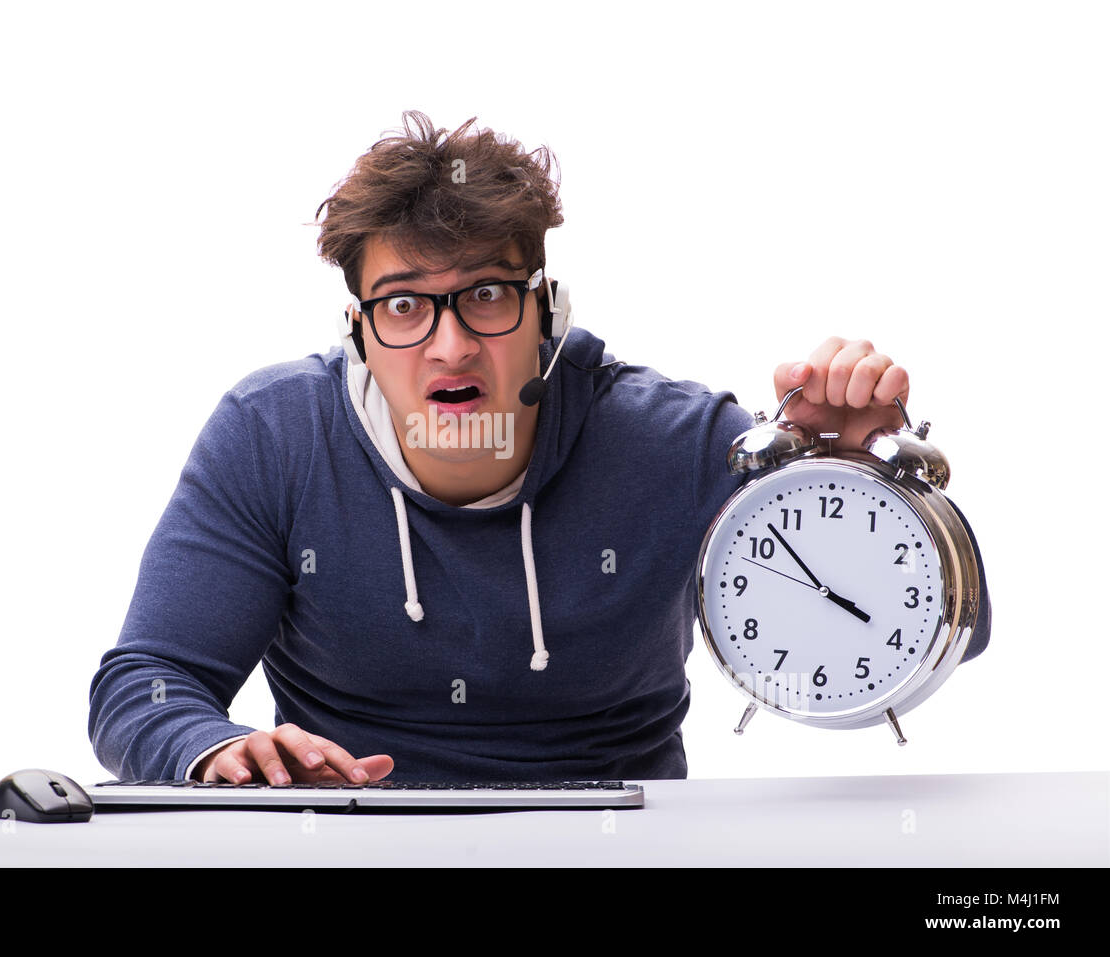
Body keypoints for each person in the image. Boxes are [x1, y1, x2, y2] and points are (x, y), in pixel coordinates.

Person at [87, 112, 990, 786]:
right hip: (349, 844)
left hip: (622, 846)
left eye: (486, 294)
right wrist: (216, 752)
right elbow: (146, 680)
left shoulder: (673, 441)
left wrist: (878, 481)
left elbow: (962, 631)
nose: (449, 346)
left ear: (546, 311)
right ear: (359, 333)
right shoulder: (272, 436)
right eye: (403, 304)